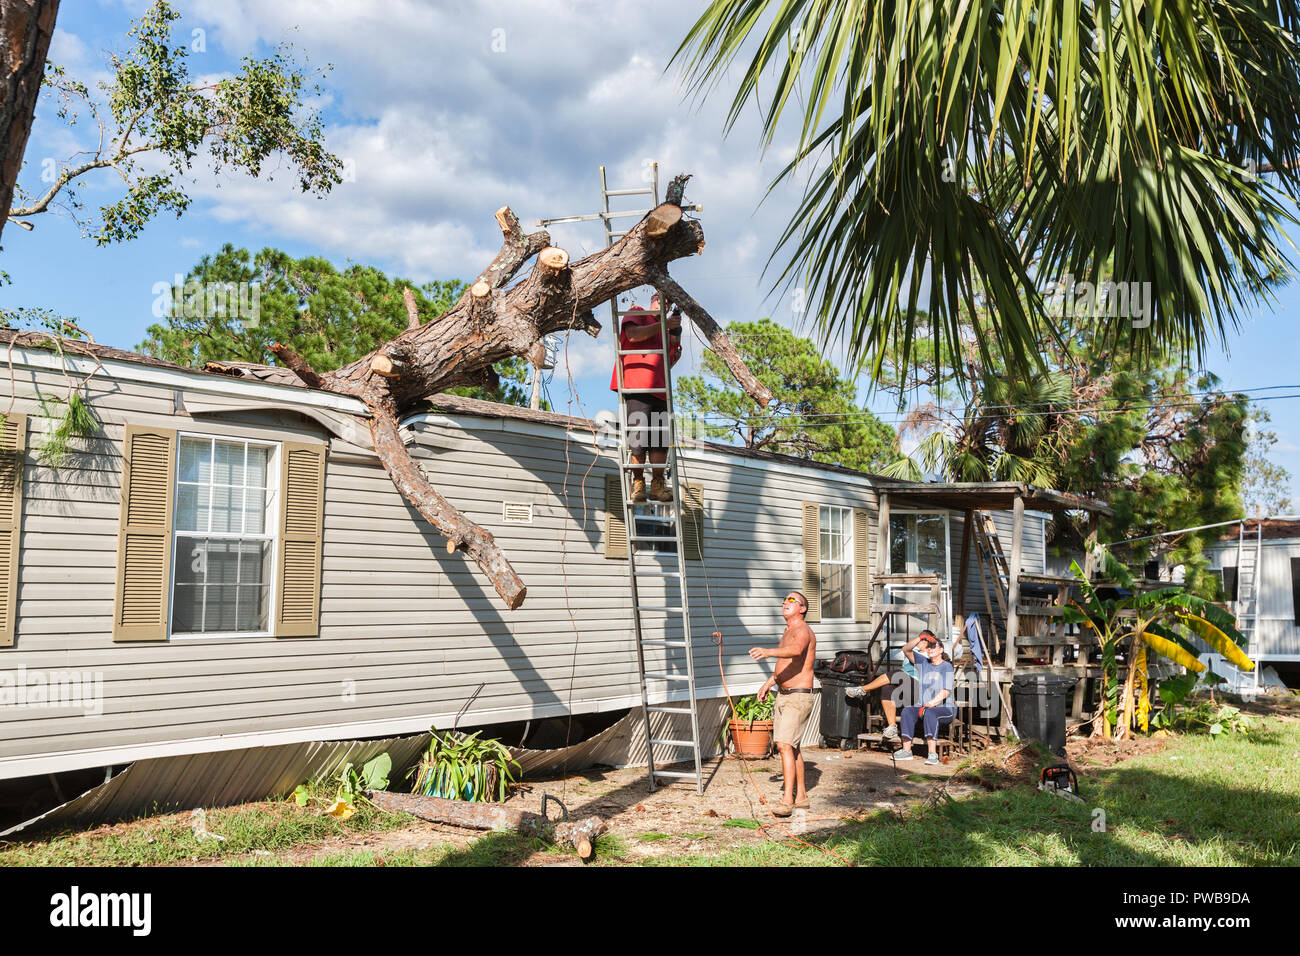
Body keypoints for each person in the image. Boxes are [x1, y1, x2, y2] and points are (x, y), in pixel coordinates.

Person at [749, 591, 818, 817]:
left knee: (784, 745)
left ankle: (787, 801)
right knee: (792, 747)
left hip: (798, 697)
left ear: (802, 609)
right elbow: (787, 664)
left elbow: (796, 650)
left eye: (791, 600)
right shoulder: (788, 630)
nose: (785, 603)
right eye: (784, 600)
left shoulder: (802, 630)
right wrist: (769, 682)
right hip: (784, 695)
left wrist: (767, 652)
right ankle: (802, 797)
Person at [610, 292, 683, 503]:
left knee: (660, 442)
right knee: (638, 440)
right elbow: (633, 335)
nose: (665, 304)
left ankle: (657, 486)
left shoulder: (664, 330)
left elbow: (667, 362)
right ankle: (638, 484)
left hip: (660, 390)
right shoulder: (638, 312)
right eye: (662, 299)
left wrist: (674, 335)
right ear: (653, 299)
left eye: (669, 303)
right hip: (637, 386)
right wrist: (665, 325)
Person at [894, 629, 956, 765]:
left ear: (941, 650)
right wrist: (921, 638)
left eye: (934, 647)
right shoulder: (923, 663)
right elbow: (906, 650)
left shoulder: (947, 667)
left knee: (930, 713)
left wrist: (931, 703)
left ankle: (932, 754)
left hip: (945, 709)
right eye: (929, 647)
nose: (930, 649)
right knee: (907, 711)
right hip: (924, 707)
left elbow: (946, 691)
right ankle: (906, 751)